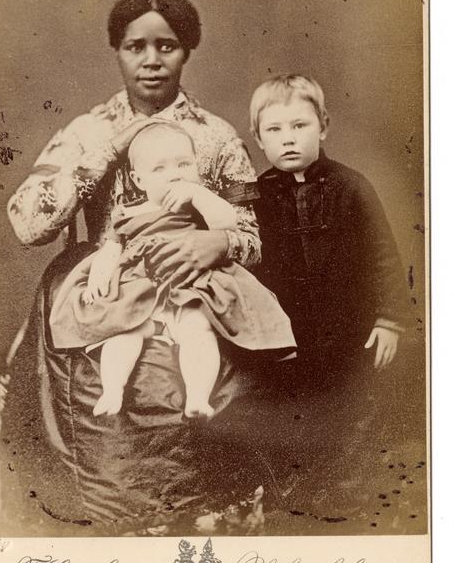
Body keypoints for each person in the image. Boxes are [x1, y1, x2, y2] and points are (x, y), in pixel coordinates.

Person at [0, 0, 267, 533]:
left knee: (209, 405)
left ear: (187, 52)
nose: (152, 60)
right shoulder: (88, 130)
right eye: (136, 46)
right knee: (100, 418)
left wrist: (217, 243)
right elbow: (26, 225)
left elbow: (252, 237)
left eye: (167, 46)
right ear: (117, 50)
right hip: (101, 293)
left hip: (195, 293)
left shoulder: (216, 136)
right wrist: (108, 151)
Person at [49, 120, 295, 419]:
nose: (175, 174)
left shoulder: (197, 204)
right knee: (124, 332)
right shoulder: (127, 212)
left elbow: (226, 223)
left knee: (197, 328)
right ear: (139, 180)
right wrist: (98, 277)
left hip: (189, 282)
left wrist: (200, 195)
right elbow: (111, 250)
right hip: (140, 284)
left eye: (183, 164)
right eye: (160, 169)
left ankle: (197, 396)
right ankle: (113, 389)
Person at [251, 74, 409, 389]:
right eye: (274, 129)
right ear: (258, 138)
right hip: (286, 336)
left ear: (323, 126)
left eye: (299, 126)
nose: (288, 139)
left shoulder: (351, 185)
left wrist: (388, 321)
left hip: (351, 331)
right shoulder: (258, 195)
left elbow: (382, 255)